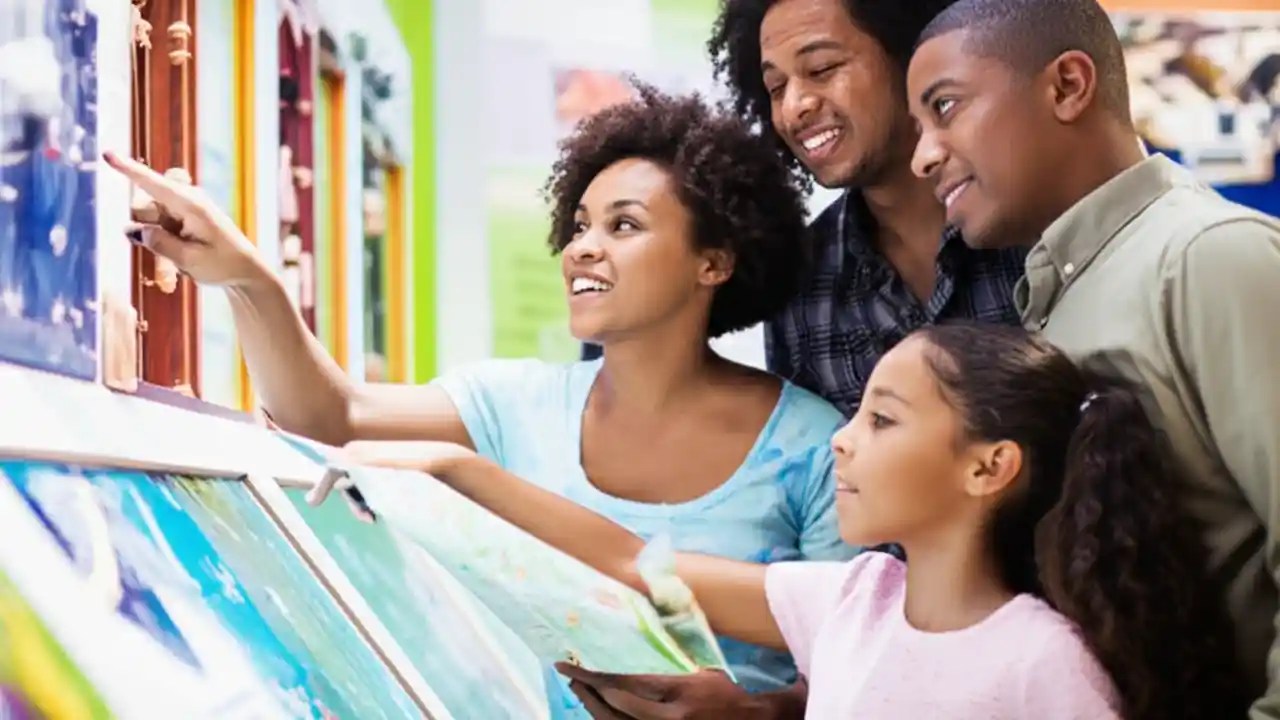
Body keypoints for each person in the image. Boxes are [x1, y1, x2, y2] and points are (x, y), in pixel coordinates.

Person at [105, 85, 857, 712]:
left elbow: (861, 658)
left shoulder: (812, 447)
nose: (582, 248)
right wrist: (248, 280)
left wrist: (760, 715)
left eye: (624, 225)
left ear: (714, 262)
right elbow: (330, 418)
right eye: (580, 225)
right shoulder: (513, 404)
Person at [327, 323, 1245, 719]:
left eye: (883, 420)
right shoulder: (852, 600)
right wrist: (456, 469)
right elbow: (633, 561)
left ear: (987, 467)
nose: (842, 441)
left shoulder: (1044, 661)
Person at [905, 0, 1280, 715]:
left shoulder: (1208, 258)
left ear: (1068, 85)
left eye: (945, 108)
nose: (923, 155)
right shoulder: (1060, 288)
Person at [711, 0, 1026, 418]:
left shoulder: (1029, 221)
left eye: (822, 68)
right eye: (776, 87)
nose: (794, 107)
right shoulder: (801, 284)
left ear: (912, 54)